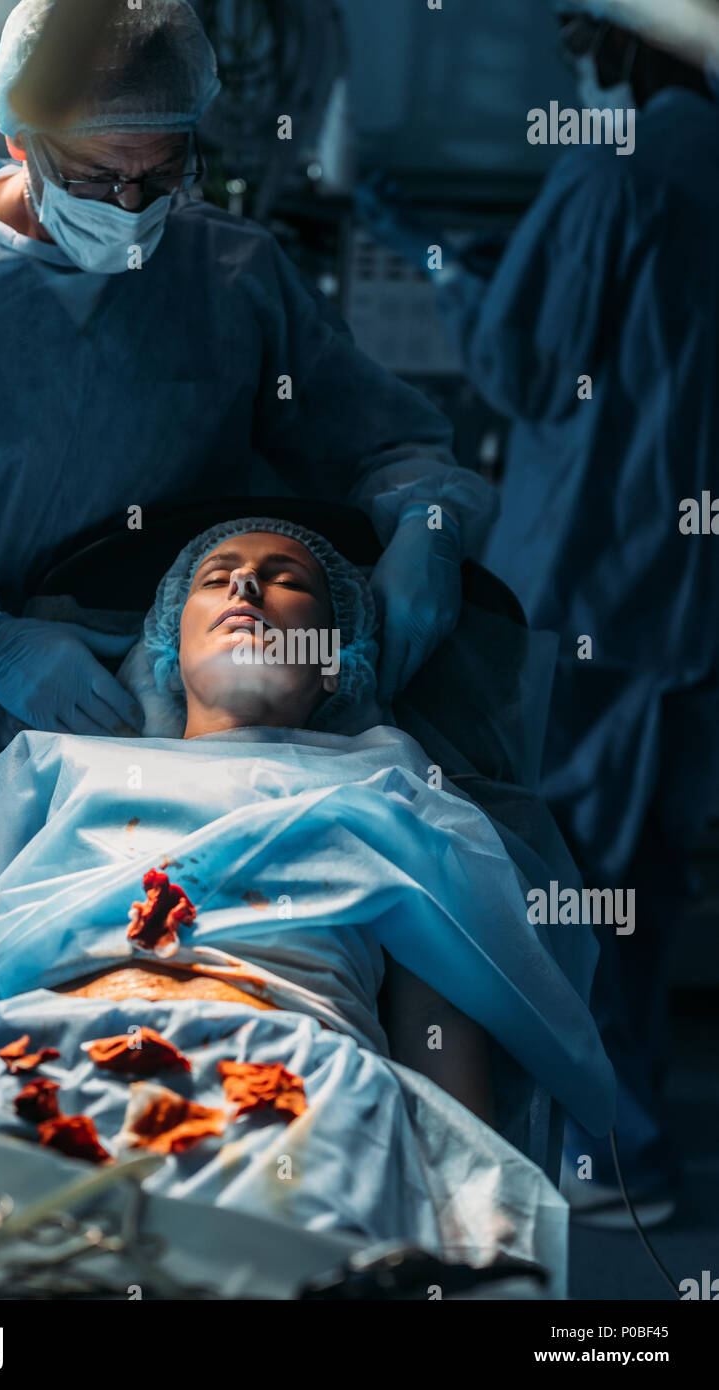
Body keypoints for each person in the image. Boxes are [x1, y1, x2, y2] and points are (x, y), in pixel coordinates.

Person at [0, 0, 498, 1012]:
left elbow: (386, 440)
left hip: (156, 751)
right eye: (97, 176)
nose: (132, 205)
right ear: (18, 137)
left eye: (161, 175)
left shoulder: (231, 273)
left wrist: (427, 524)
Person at [0, 520, 614, 1277]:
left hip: (288, 1086)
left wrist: (476, 1229)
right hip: (26, 1061)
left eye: (287, 580)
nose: (245, 585)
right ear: (169, 653)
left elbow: (437, 1019)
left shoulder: (385, 788)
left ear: (335, 663)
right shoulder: (63, 767)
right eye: (215, 578)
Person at [421, 5, 719, 1224]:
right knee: (639, 868)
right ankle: (624, 1135)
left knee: (573, 873)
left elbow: (525, 363)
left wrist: (445, 272)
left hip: (606, 571)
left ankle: (614, 1153)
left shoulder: (622, 166)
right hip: (686, 599)